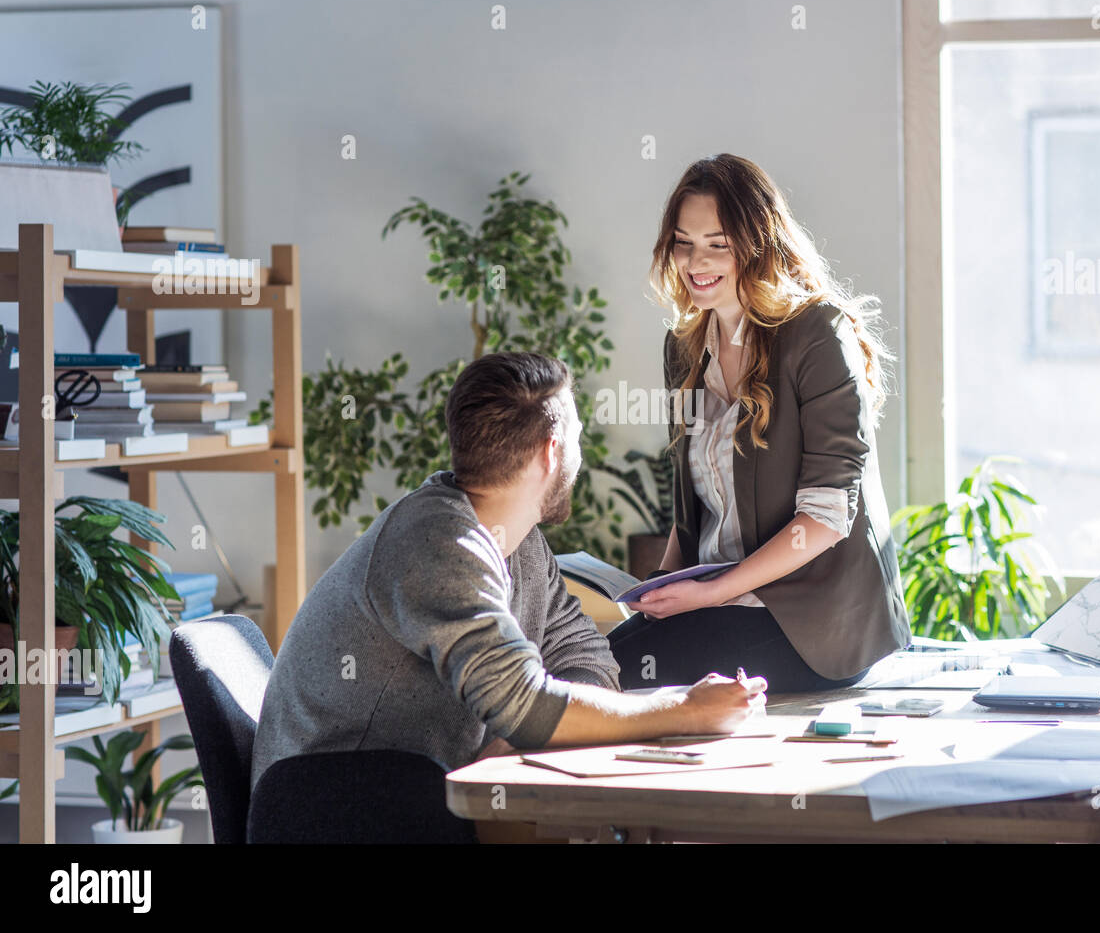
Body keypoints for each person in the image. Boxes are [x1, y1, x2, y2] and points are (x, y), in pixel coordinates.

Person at [251, 351, 767, 799]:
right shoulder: (439, 544)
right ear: (551, 451)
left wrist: (527, 729)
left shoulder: (521, 544)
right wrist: (684, 709)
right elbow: (522, 700)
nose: (580, 454)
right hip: (338, 809)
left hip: (418, 796)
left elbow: (586, 660)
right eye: (578, 437)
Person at [607, 153, 912, 694]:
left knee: (606, 677)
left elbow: (825, 519)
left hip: (814, 625)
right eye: (683, 242)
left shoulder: (818, 334)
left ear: (757, 243)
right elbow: (691, 515)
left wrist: (711, 593)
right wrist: (659, 591)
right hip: (716, 603)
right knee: (591, 660)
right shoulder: (684, 347)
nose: (695, 260)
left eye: (717, 244)